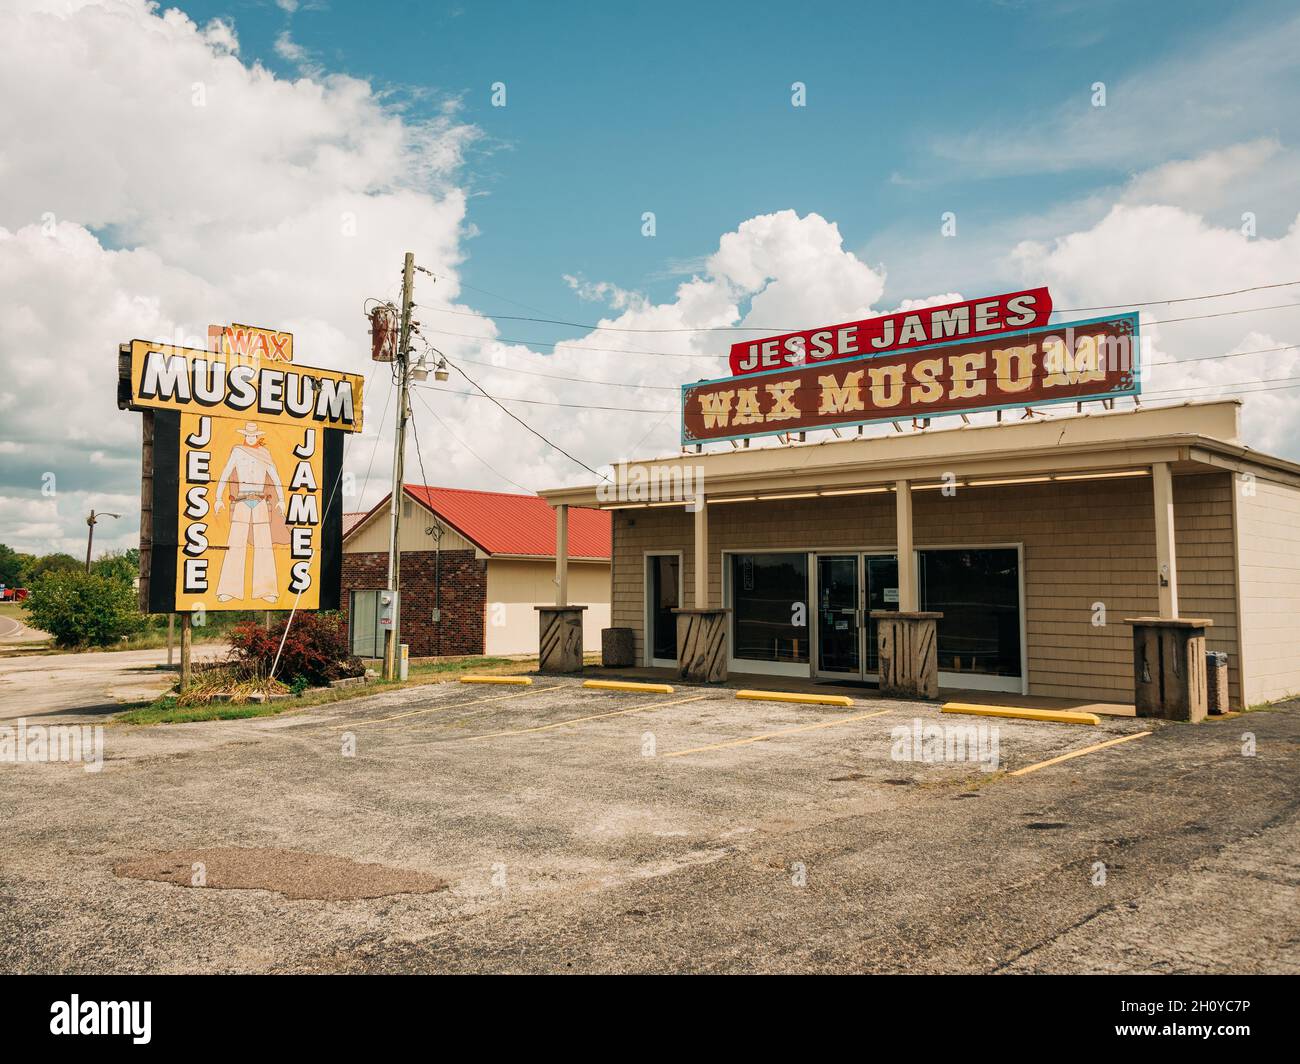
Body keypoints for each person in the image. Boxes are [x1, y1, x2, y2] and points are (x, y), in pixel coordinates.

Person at [213, 422, 286, 602]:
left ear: (257, 436)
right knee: (235, 543)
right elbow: (225, 473)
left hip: (260, 500)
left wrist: (282, 500)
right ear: (244, 435)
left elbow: (276, 477)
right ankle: (229, 590)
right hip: (241, 500)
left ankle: (267, 591)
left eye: (253, 435)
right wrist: (218, 498)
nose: (250, 438)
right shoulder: (237, 451)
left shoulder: (265, 453)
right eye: (248, 435)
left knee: (264, 544)